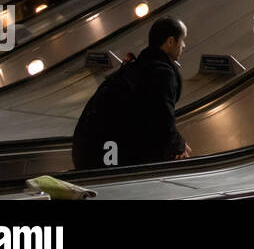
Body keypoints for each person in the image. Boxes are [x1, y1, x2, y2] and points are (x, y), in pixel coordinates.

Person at [71, 16, 191, 170]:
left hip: (89, 149)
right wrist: (178, 145)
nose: (184, 45)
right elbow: (162, 120)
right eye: (182, 40)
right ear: (170, 42)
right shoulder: (161, 73)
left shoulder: (137, 67)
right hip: (106, 154)